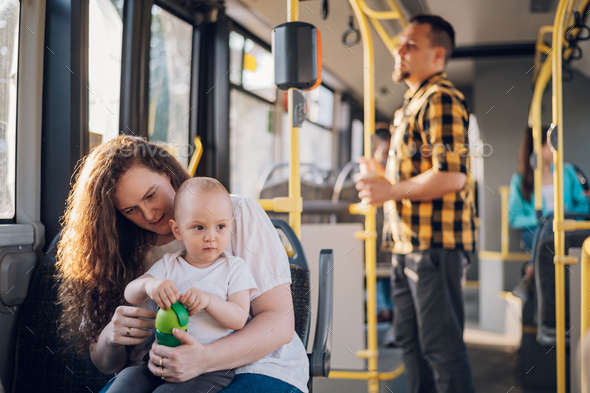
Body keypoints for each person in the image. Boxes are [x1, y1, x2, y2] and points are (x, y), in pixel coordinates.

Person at [56, 136, 309, 393]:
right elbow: (107, 364)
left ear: (167, 173)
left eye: (151, 195)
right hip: (156, 371)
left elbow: (279, 323)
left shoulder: (235, 214)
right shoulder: (114, 252)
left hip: (257, 365)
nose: (150, 214)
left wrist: (204, 358)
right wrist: (111, 337)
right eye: (131, 210)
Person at [355, 15, 477, 392]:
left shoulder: (440, 99)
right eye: (398, 45)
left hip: (434, 246)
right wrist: (384, 177)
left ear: (437, 55)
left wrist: (390, 191)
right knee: (412, 344)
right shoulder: (411, 104)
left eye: (410, 45)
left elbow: (451, 175)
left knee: (441, 351)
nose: (399, 50)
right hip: (408, 244)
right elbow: (417, 176)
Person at [106, 177, 258, 393]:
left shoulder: (234, 268)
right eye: (198, 227)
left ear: (230, 226)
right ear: (177, 231)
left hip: (208, 369)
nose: (211, 237)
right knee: (126, 379)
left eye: (220, 226)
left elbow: (239, 319)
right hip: (159, 361)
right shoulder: (169, 264)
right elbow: (131, 293)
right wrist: (150, 286)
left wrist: (208, 301)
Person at [508, 127, 589, 300]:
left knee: (555, 237)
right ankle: (550, 304)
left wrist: (565, 215)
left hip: (565, 226)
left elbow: (583, 205)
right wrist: (543, 219)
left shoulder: (567, 172)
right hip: (536, 230)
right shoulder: (521, 179)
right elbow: (514, 217)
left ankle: (530, 274)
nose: (559, 149)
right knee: (545, 236)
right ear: (539, 146)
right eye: (551, 144)